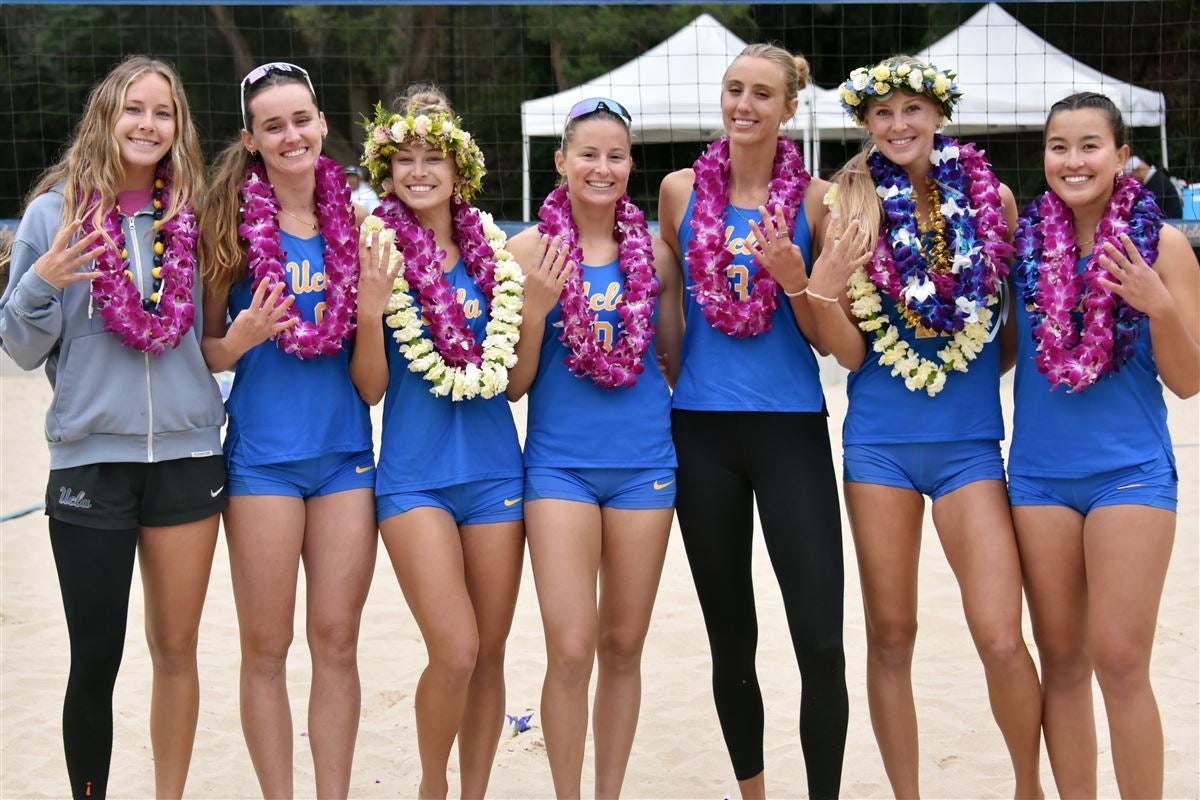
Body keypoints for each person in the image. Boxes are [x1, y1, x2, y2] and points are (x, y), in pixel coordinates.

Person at [807, 55, 1045, 798]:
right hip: (878, 445)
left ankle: (1027, 786)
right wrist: (822, 292)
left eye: (912, 109)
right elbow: (848, 351)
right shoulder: (847, 203)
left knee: (1003, 637)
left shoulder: (990, 199)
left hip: (971, 446)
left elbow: (1004, 337)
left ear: (938, 115)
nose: (898, 124)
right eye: (882, 113)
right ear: (866, 124)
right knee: (891, 636)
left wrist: (953, 366)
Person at [0, 55, 225, 799]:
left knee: (177, 650)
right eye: (135, 107)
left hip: (189, 457)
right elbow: (22, 347)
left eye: (164, 112)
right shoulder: (53, 216)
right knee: (96, 656)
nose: (148, 123)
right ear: (107, 114)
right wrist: (41, 282)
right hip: (91, 464)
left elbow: (208, 339)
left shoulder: (191, 216)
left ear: (178, 127)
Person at [657, 44, 847, 799]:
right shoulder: (678, 192)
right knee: (731, 637)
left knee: (822, 643)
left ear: (789, 110)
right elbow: (662, 306)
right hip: (700, 432)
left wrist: (796, 283)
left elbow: (824, 333)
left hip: (790, 428)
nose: (744, 105)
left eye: (762, 94)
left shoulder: (816, 201)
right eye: (734, 89)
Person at [1009, 91, 1199, 799]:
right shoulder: (1023, 244)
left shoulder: (1164, 247)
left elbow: (1189, 382)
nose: (1073, 160)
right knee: (1061, 662)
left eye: (1091, 145)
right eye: (1060, 146)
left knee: (1120, 662)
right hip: (1037, 481)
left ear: (1122, 157)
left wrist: (1159, 304)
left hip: (1130, 476)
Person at [197, 62, 378, 798]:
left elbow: (373, 381)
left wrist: (367, 310)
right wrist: (239, 340)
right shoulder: (228, 225)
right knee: (266, 648)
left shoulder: (361, 224)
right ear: (251, 139)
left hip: (344, 460)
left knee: (336, 642)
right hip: (262, 463)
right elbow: (204, 353)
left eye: (301, 119)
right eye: (273, 125)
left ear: (322, 124)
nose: (291, 134)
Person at [506, 97, 684, 798]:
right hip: (559, 470)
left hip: (645, 466)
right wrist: (538, 313)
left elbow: (672, 357)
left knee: (622, 646)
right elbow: (515, 385)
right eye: (588, 154)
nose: (602, 167)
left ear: (630, 165)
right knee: (571, 646)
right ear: (561, 162)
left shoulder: (658, 256)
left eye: (615, 155)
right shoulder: (527, 253)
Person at [354, 84, 526, 799]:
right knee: (453, 650)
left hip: (496, 474)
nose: (419, 171)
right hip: (414, 478)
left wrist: (537, 307)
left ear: (461, 168)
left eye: (433, 157)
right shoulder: (374, 247)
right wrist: (369, 313)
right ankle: (432, 785)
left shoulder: (496, 250)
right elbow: (369, 388)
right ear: (387, 171)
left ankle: (474, 793)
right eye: (405, 160)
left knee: (489, 657)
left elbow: (512, 380)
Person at [1126, 154, 1183, 219]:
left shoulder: (1155, 182)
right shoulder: (1157, 177)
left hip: (1172, 223)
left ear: (1139, 171)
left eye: (1132, 176)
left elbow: (1148, 209)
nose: (1133, 180)